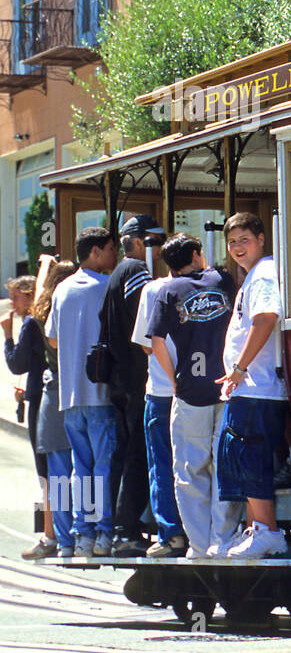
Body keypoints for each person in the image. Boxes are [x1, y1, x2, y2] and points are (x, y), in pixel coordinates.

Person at [148, 233, 241, 558]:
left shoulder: (168, 291)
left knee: (189, 471)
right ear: (198, 254)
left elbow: (156, 340)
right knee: (224, 466)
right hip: (227, 387)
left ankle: (199, 545)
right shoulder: (223, 279)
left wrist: (173, 378)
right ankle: (224, 540)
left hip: (189, 390)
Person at [215, 213, 289, 559]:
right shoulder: (256, 275)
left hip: (258, 386)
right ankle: (256, 529)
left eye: (244, 239)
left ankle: (269, 531)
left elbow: (265, 319)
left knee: (250, 455)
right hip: (254, 387)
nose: (237, 248)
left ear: (261, 238)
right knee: (245, 457)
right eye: (232, 242)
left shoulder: (263, 276)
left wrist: (239, 368)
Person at [46, 226, 118, 559]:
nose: (114, 255)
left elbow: (54, 339)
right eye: (109, 249)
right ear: (95, 252)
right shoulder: (106, 287)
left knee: (81, 468)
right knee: (103, 465)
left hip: (70, 394)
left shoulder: (61, 290)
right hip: (100, 392)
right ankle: (104, 534)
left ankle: (82, 536)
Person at [99, 214, 165, 556]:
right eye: (157, 240)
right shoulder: (137, 273)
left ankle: (117, 528)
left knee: (126, 455)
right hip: (138, 380)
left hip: (120, 381)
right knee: (139, 455)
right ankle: (127, 531)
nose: (162, 247)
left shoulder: (116, 274)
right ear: (140, 242)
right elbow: (149, 324)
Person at [131, 248, 187, 557]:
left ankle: (171, 534)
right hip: (196, 392)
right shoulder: (209, 287)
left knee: (162, 464)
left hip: (161, 391)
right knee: (194, 463)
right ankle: (197, 531)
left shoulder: (152, 289)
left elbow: (147, 346)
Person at [30, 258, 77, 556]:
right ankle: (85, 530)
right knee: (86, 464)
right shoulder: (82, 302)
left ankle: (61, 536)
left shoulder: (46, 310)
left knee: (57, 469)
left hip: (56, 390)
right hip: (86, 388)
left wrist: (44, 267)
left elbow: (37, 296)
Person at [5, 274, 53, 558]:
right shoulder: (44, 319)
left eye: (15, 297)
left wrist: (7, 335)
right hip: (41, 393)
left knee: (43, 466)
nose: (12, 303)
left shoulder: (31, 323)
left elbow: (17, 363)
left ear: (29, 294)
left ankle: (47, 532)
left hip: (39, 397)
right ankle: (52, 527)